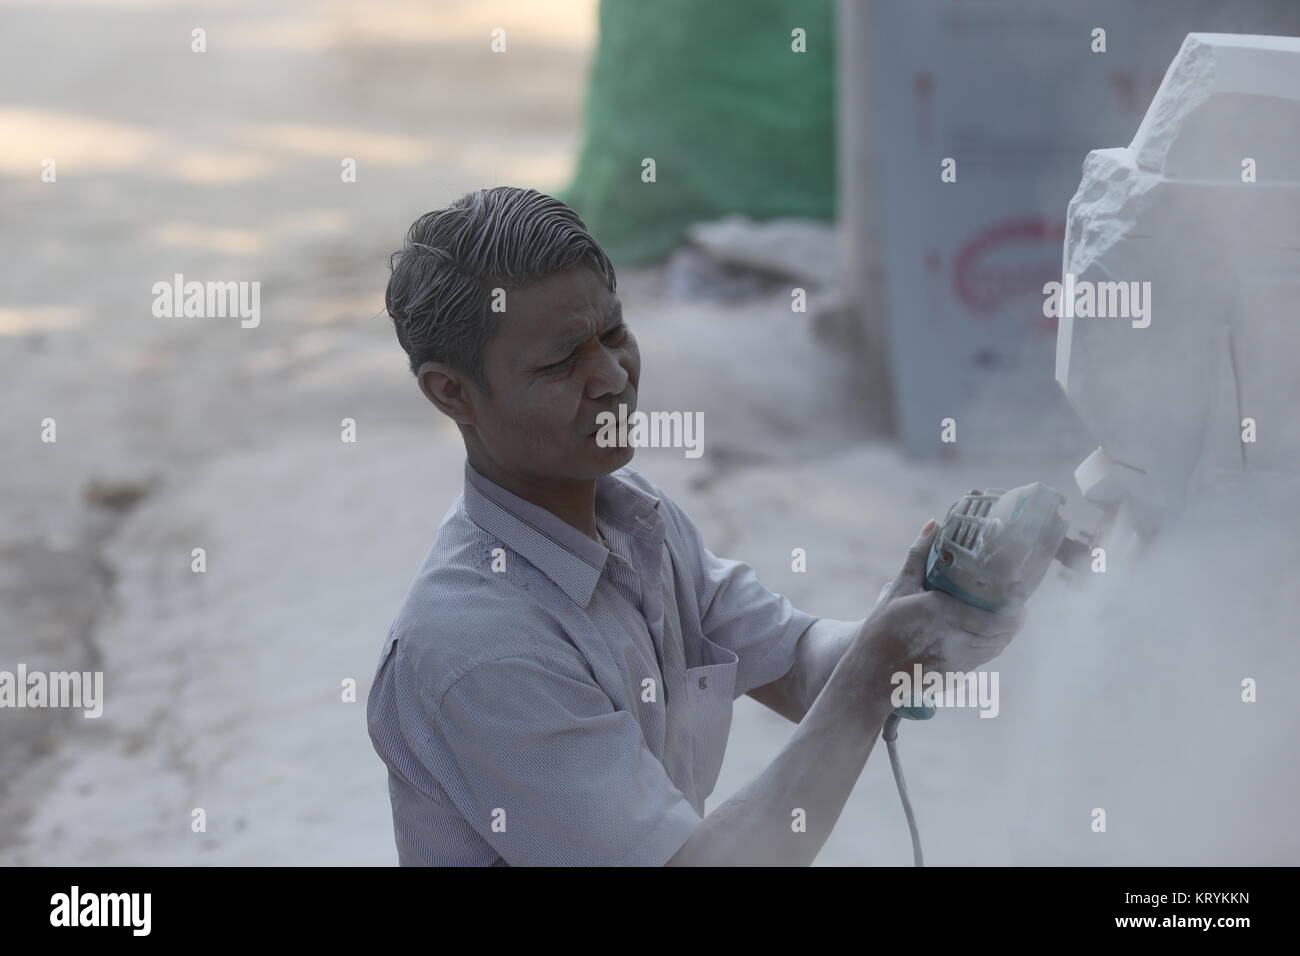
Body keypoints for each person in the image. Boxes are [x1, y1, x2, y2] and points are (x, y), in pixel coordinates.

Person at [365, 186, 1022, 866]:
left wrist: (927, 614)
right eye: (561, 362)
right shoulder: (479, 651)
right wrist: (874, 674)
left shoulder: (633, 518)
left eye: (614, 334)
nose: (612, 375)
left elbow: (798, 666)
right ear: (453, 392)